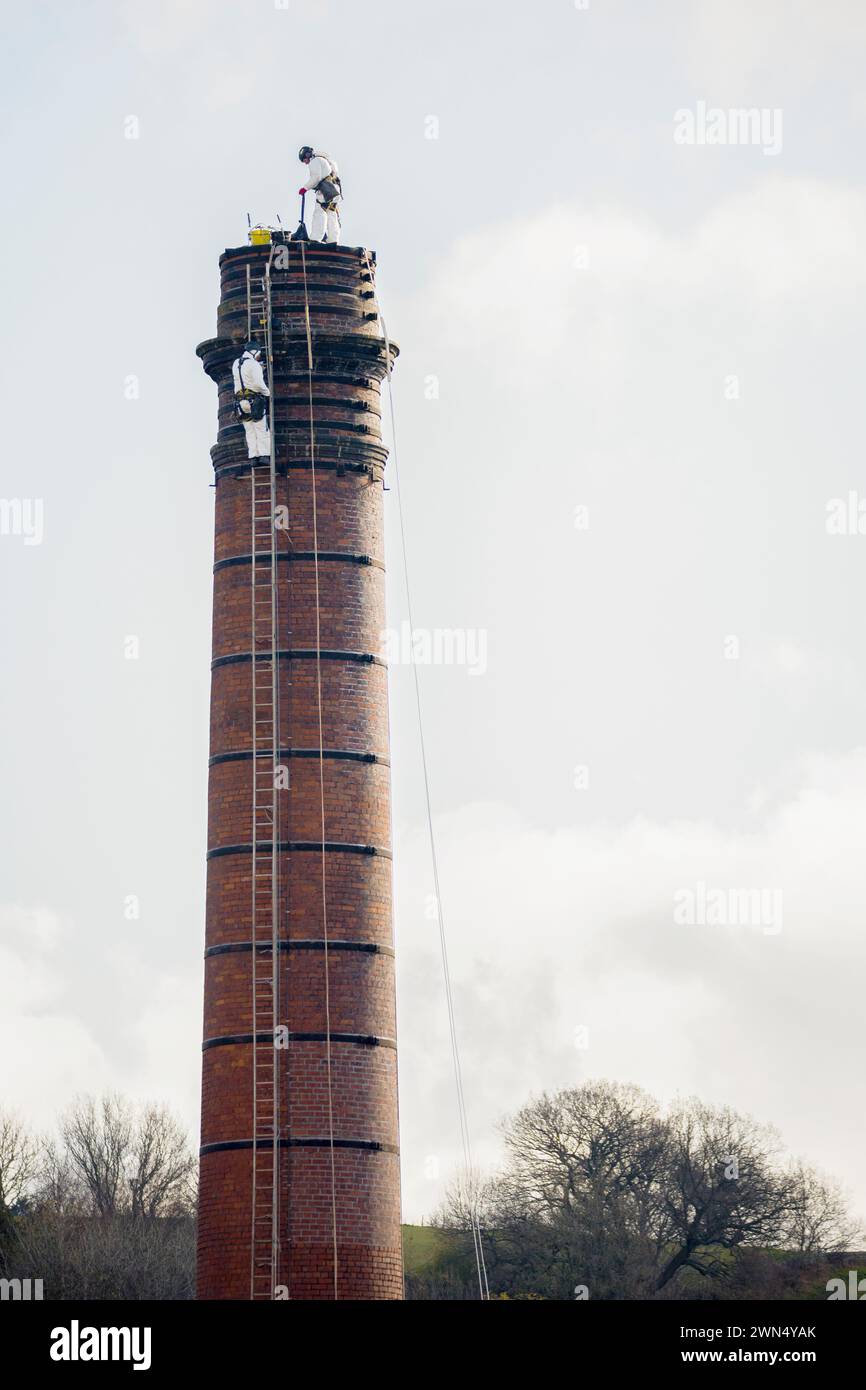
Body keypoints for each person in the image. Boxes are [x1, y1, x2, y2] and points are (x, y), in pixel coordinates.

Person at [232, 342, 271, 461]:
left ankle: (253, 457)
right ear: (254, 352)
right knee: (261, 429)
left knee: (249, 431)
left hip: (241, 403)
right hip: (255, 402)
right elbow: (258, 383)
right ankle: (264, 456)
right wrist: (268, 393)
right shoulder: (254, 364)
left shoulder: (236, 363)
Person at [298, 146, 342, 244]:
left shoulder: (314, 161)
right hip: (334, 190)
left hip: (326, 190)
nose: (305, 162)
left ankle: (315, 238)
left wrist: (304, 188)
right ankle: (333, 240)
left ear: (307, 155)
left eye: (304, 159)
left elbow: (316, 177)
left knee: (319, 212)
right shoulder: (325, 160)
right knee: (332, 213)